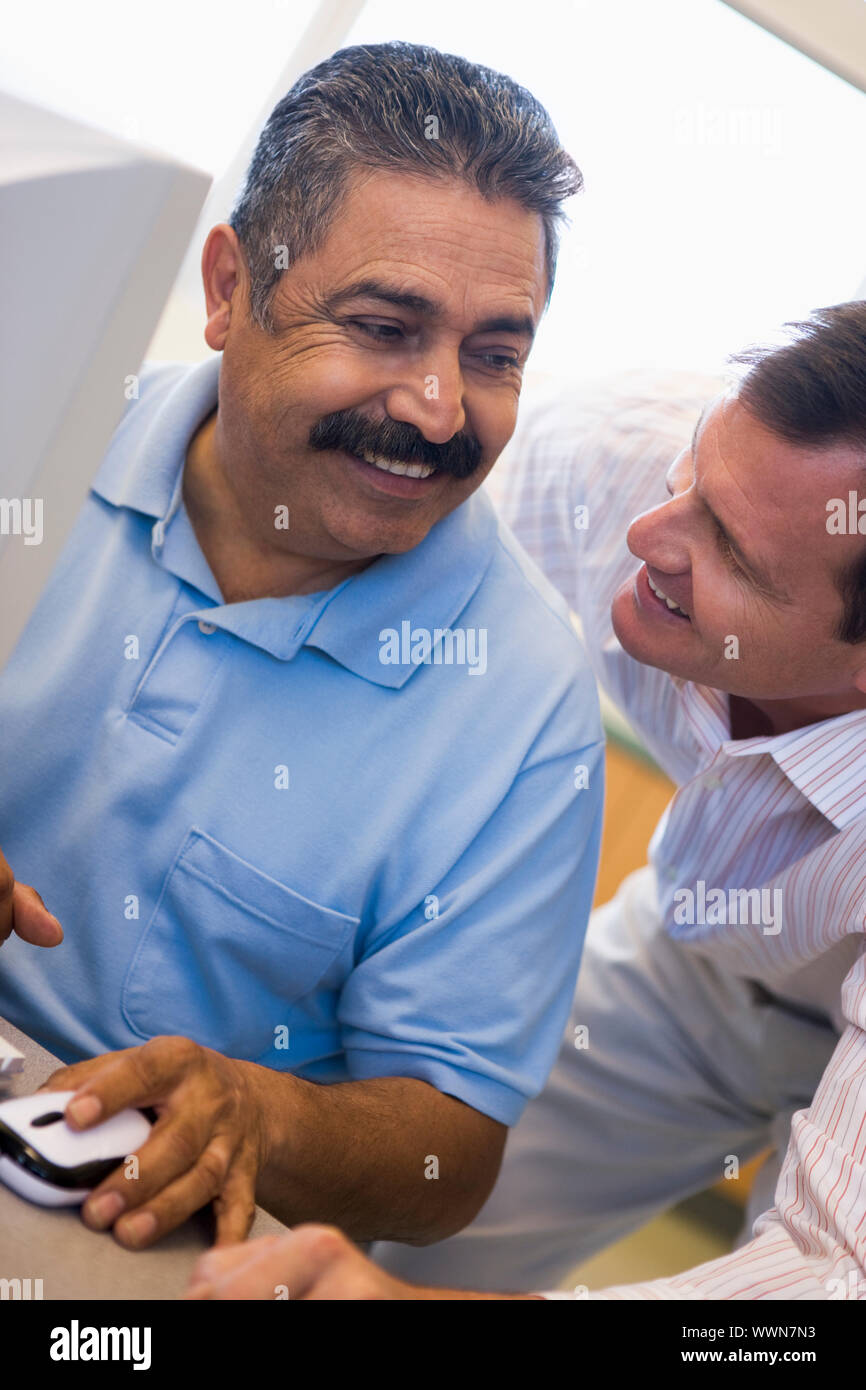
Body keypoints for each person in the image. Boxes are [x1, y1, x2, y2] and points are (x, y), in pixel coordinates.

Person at [0, 43, 604, 1252]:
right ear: (229, 288)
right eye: (384, 326)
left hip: (135, 1242)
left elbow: (449, 1155)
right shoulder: (41, 425)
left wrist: (255, 1116)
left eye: (494, 354)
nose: (439, 408)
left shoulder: (529, 703)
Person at [184, 304, 866, 1299]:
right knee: (391, 1231)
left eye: (728, 551)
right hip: (695, 964)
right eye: (692, 475)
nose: (646, 532)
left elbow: (824, 1278)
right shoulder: (605, 461)